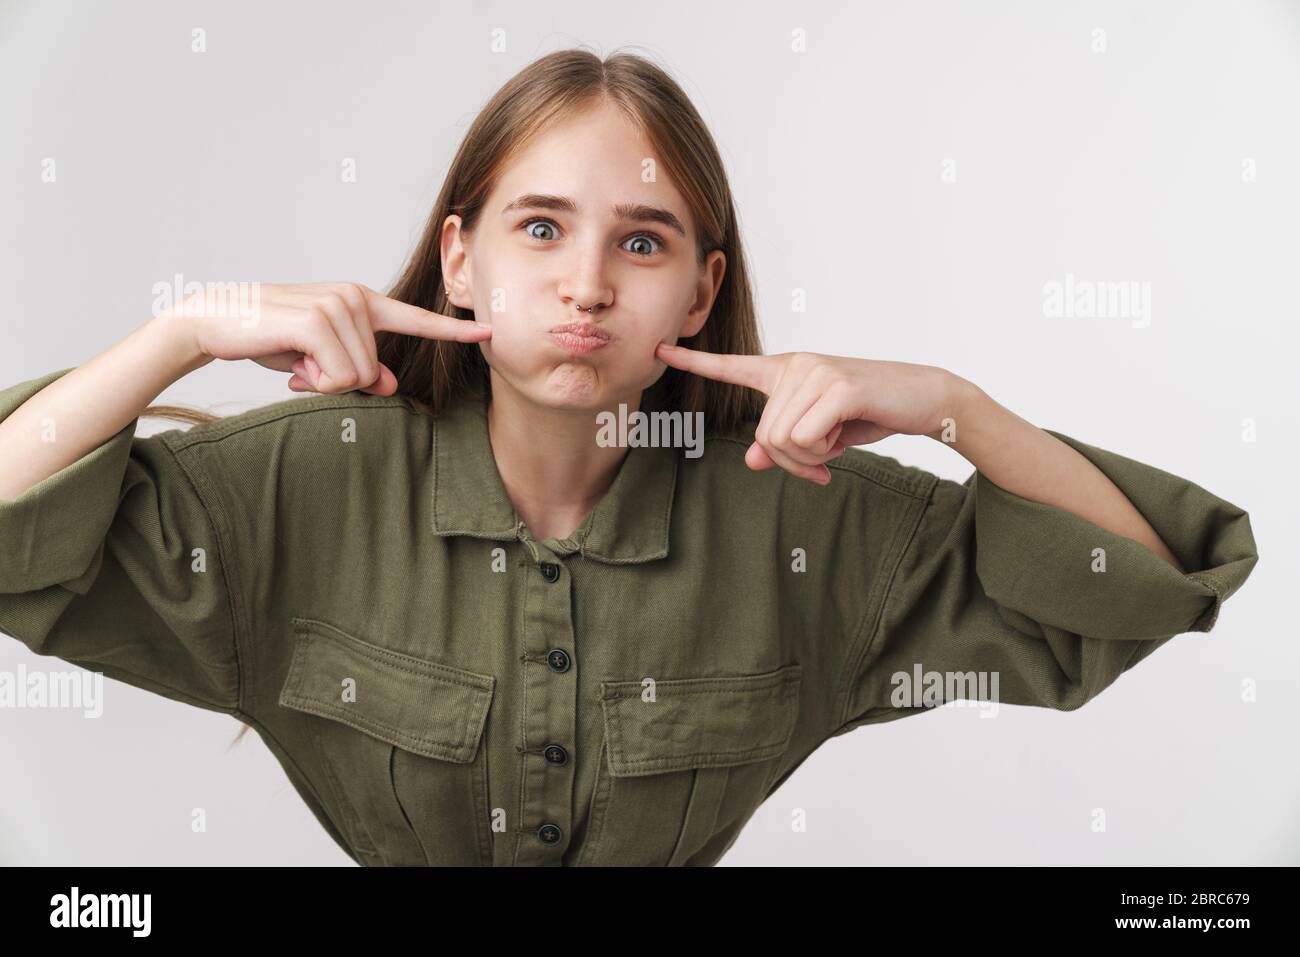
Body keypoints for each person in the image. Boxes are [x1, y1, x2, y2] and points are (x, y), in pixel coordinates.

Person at [0, 49, 1259, 866]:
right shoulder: (299, 483)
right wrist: (181, 332)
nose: (588, 286)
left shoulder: (806, 520)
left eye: (643, 242)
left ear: (701, 291)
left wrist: (954, 408)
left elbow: (1145, 584)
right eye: (541, 228)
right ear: (461, 259)